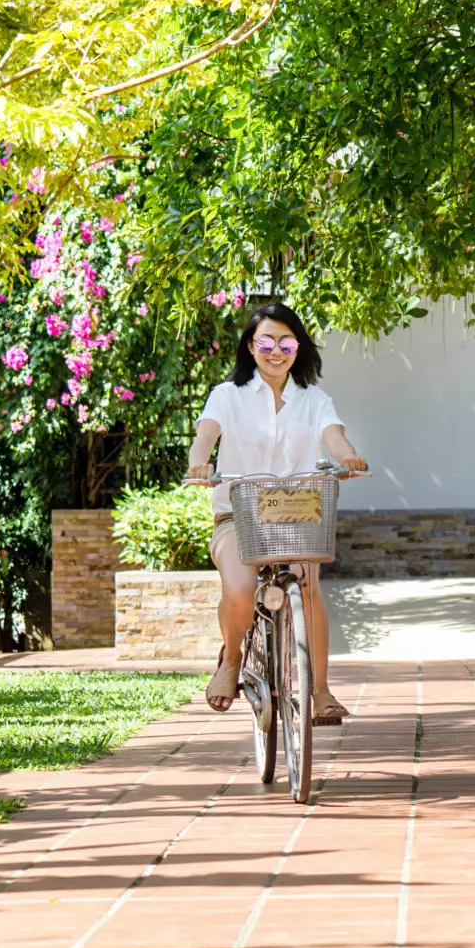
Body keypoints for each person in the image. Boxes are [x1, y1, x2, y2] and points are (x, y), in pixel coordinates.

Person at [186, 302, 368, 724]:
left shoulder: (314, 399)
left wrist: (349, 458)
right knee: (239, 588)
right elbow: (205, 436)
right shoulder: (227, 395)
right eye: (265, 341)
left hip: (297, 517)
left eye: (286, 341)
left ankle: (319, 690)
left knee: (308, 588)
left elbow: (334, 438)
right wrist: (200, 462)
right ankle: (231, 660)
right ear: (251, 347)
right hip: (238, 516)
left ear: (298, 347)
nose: (276, 350)